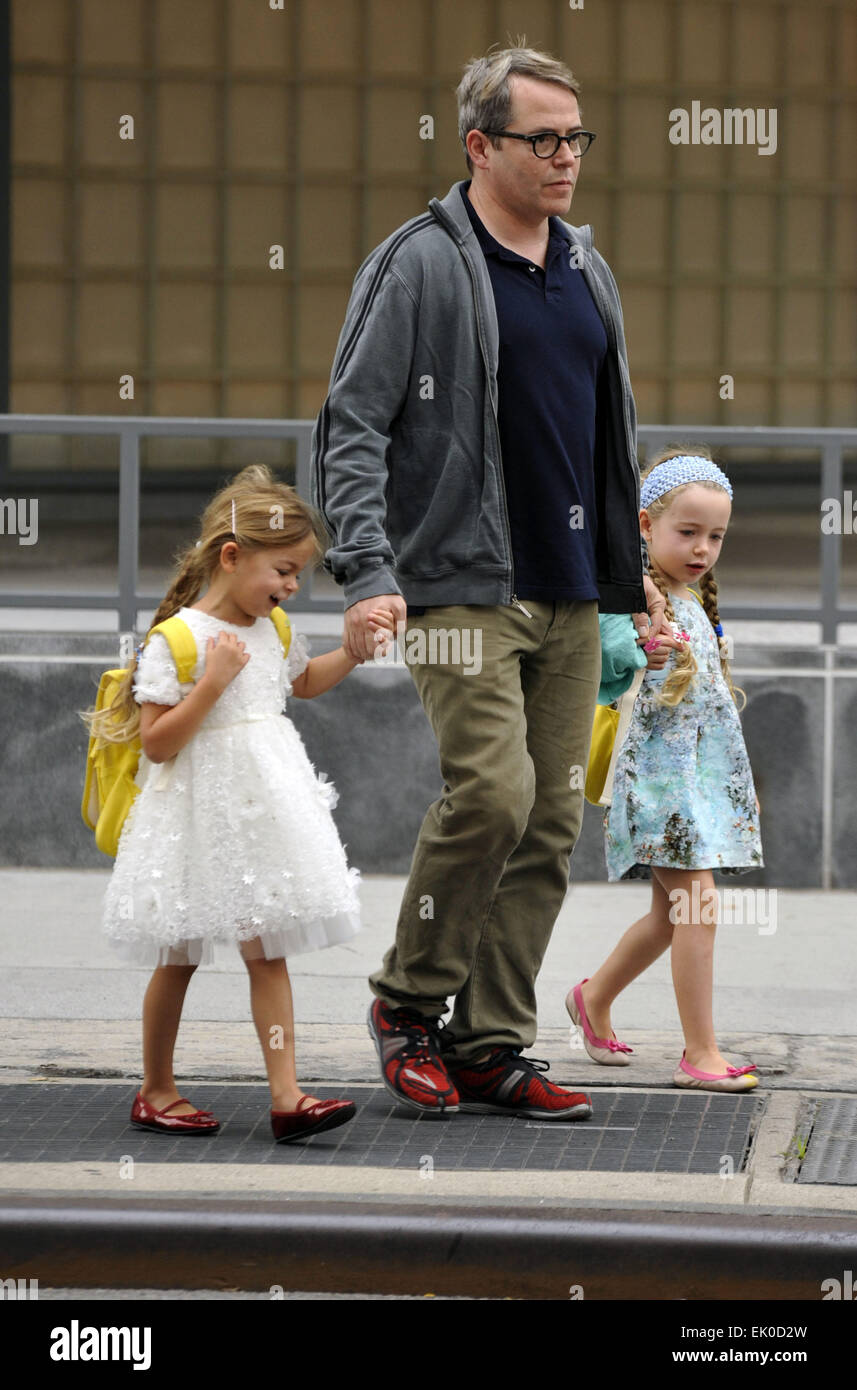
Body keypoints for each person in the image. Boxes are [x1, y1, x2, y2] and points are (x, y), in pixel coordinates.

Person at [312, 46, 667, 1121]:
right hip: (458, 582)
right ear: (479, 145)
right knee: (493, 794)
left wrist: (632, 570)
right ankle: (406, 1006)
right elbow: (352, 424)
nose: (565, 157)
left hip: (569, 588)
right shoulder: (418, 261)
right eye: (541, 139)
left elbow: (607, 434)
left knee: (551, 819)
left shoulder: (584, 268)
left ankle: (491, 1041)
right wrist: (369, 567)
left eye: (574, 137)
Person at [90, 465, 394, 1142]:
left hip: (260, 813)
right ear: (232, 557)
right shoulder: (177, 639)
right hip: (194, 817)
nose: (289, 588)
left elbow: (302, 684)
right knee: (179, 955)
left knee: (267, 952)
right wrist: (212, 682)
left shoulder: (274, 628)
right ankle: (157, 1089)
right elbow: (159, 744)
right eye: (282, 572)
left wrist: (351, 652)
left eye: (297, 577)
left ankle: (287, 1097)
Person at [566, 451, 764, 1092]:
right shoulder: (629, 600)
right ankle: (699, 1052)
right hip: (657, 780)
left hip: (698, 780)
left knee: (670, 914)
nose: (703, 548)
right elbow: (600, 674)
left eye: (716, 536)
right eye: (688, 532)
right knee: (697, 905)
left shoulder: (694, 600)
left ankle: (592, 998)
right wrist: (642, 638)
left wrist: (736, 790)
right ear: (645, 525)